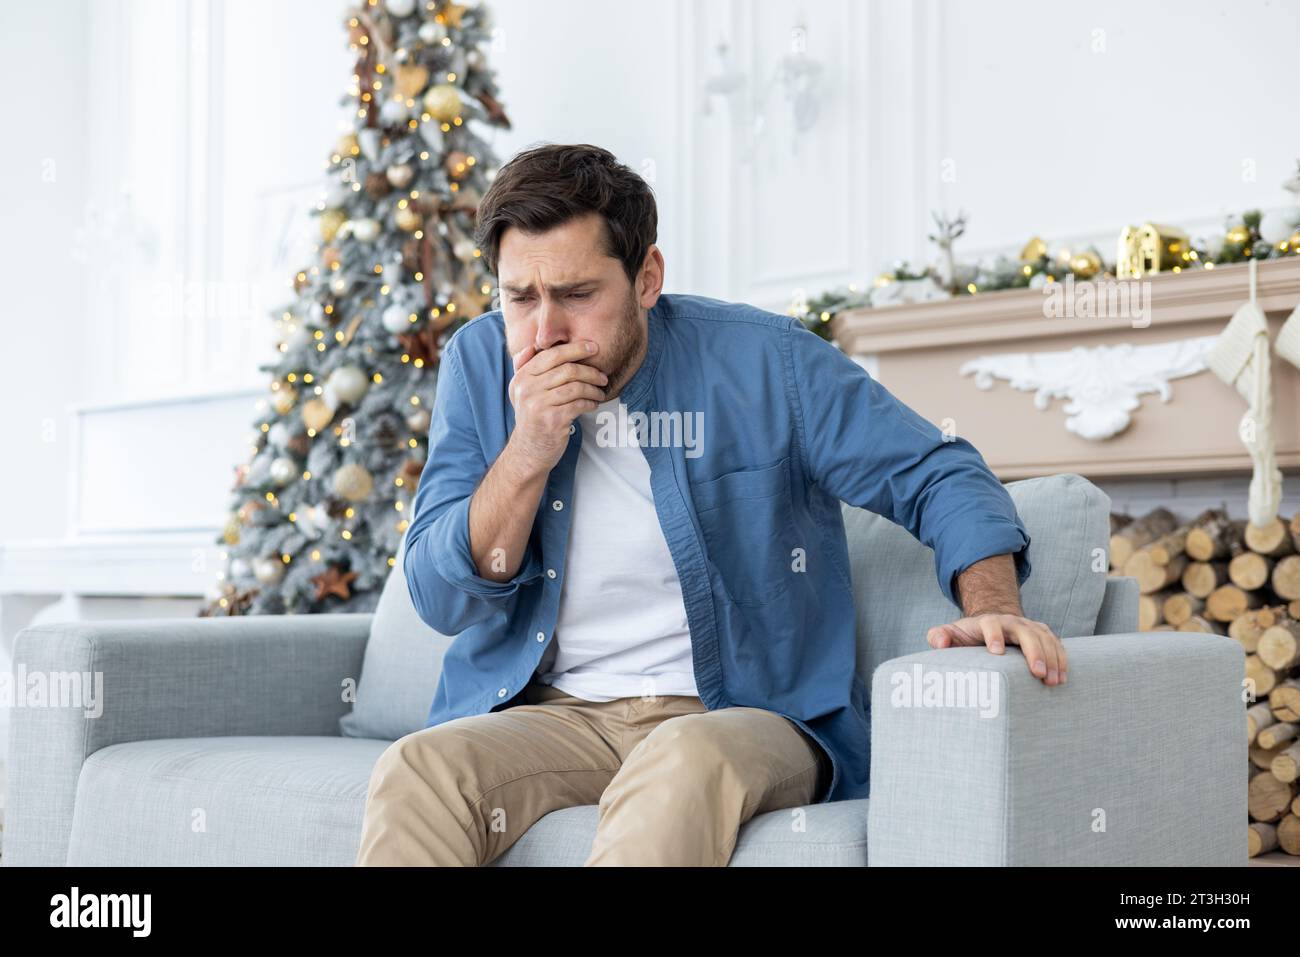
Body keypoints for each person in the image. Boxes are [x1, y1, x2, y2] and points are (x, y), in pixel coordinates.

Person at [355, 143, 1066, 867]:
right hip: (559, 715)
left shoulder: (767, 363)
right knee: (420, 769)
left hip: (740, 714)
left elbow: (938, 470)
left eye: (575, 295)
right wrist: (528, 451)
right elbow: (441, 599)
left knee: (680, 758)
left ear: (647, 278)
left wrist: (992, 602)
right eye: (520, 298)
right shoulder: (479, 364)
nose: (544, 333)